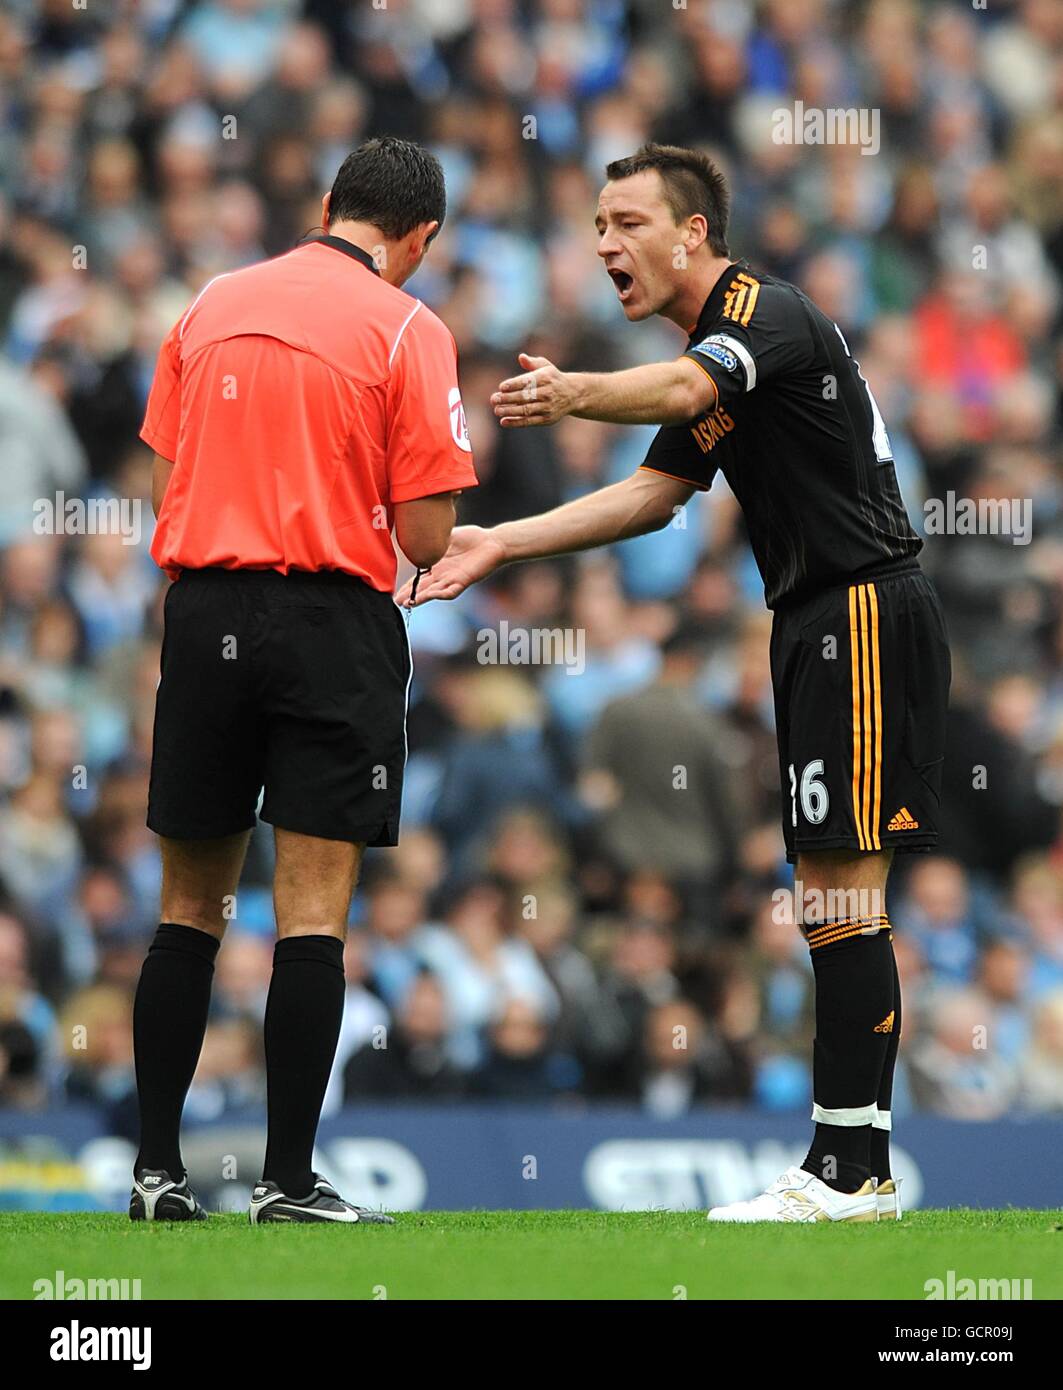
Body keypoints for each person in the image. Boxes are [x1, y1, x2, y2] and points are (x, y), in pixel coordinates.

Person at [402, 143, 951, 1225]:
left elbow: (681, 388)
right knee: (832, 899)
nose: (605, 242)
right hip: (812, 620)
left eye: (626, 221)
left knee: (845, 893)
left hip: (861, 607)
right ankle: (847, 1161)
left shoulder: (760, 314)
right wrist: (499, 546)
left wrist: (572, 395)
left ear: (691, 231)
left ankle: (853, 1169)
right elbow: (654, 495)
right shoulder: (718, 349)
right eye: (598, 224)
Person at [132, 137, 477, 1225]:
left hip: (204, 610)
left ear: (328, 204)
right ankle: (286, 1181)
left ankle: (155, 1173)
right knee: (310, 914)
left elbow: (164, 478)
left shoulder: (210, 304)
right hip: (332, 620)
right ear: (417, 239)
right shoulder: (412, 330)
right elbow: (425, 533)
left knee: (188, 906)